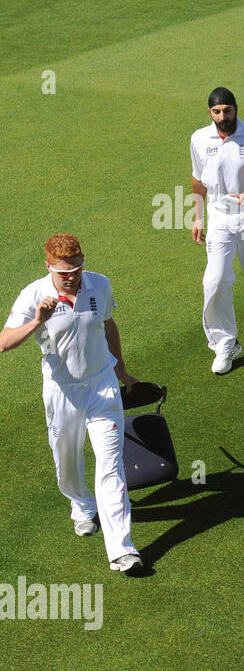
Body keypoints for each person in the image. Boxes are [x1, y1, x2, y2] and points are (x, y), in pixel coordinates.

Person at [1, 234, 143, 573]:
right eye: (65, 271)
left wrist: (122, 372)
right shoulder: (34, 295)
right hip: (62, 391)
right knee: (67, 459)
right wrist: (37, 321)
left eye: (77, 269)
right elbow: (4, 342)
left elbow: (108, 326)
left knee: (111, 466)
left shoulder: (100, 285)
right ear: (49, 266)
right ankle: (81, 505)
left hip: (102, 388)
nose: (72, 277)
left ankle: (123, 550)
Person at [189, 87, 244, 375]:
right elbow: (197, 180)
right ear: (209, 112)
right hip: (219, 215)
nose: (222, 116)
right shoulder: (199, 139)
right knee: (215, 280)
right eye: (217, 111)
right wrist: (198, 217)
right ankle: (225, 343)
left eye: (227, 110)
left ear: (236, 108)